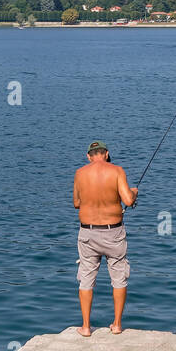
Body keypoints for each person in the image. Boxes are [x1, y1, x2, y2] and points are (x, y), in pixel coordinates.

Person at [73, 141, 137, 336]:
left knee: (86, 280)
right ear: (107, 154)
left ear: (89, 156)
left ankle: (85, 327)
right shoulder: (117, 171)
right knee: (118, 278)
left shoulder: (80, 173)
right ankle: (117, 325)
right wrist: (134, 192)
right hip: (113, 232)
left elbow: (76, 203)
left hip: (88, 233)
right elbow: (127, 200)